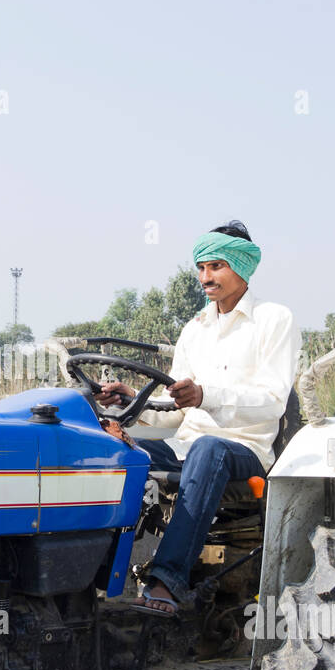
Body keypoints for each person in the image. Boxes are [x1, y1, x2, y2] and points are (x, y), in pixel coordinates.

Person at [96, 221, 300, 615]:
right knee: (116, 450)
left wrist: (208, 395)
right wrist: (130, 406)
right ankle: (98, 578)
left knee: (209, 449)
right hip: (187, 446)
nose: (206, 277)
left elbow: (274, 400)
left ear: (243, 266)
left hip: (246, 448)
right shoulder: (195, 329)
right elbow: (179, 411)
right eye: (201, 268)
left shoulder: (274, 320)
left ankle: (166, 582)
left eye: (217, 266)